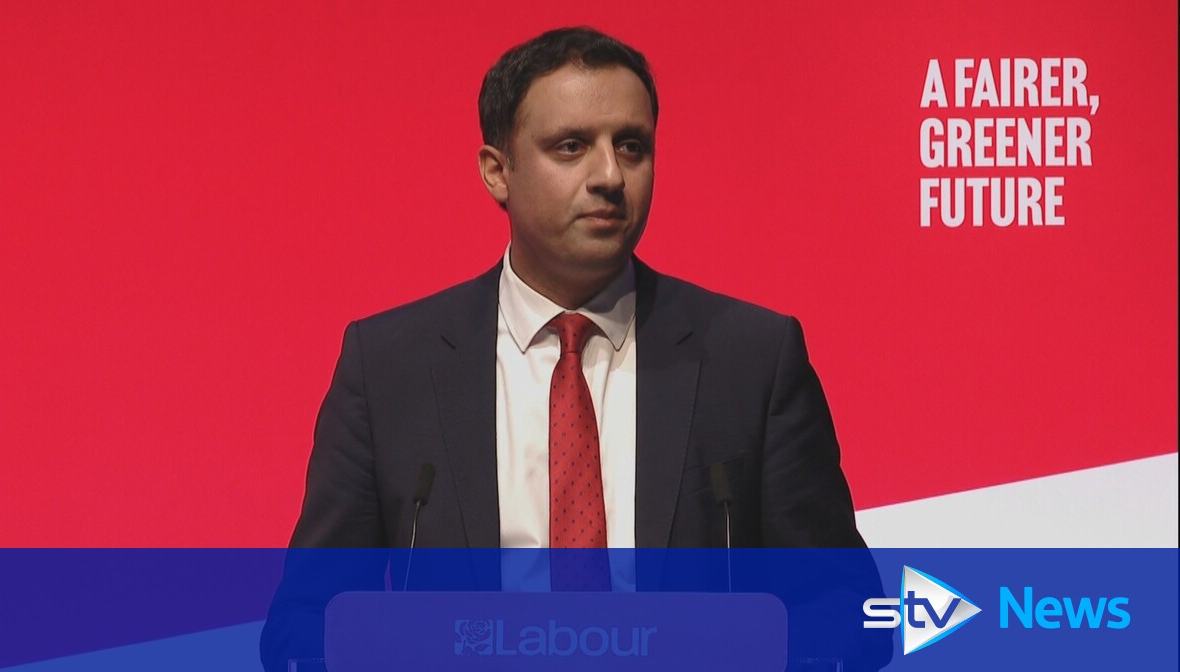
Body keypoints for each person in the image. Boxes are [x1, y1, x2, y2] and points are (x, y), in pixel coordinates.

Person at [262, 26, 887, 670]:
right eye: (571, 147)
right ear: (497, 173)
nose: (610, 175)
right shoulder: (390, 365)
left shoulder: (751, 359)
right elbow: (305, 620)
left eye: (632, 146)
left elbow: (852, 610)